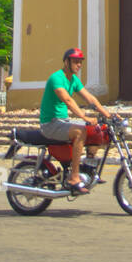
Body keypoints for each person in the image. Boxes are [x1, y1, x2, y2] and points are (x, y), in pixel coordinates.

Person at [39, 48, 114, 193]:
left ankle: (89, 169)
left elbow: (90, 98)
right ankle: (74, 177)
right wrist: (84, 117)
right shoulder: (57, 78)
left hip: (62, 122)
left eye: (80, 62)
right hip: (50, 124)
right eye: (75, 62)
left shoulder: (74, 80)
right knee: (80, 132)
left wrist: (109, 115)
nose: (79, 65)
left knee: (97, 131)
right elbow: (68, 100)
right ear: (66, 62)